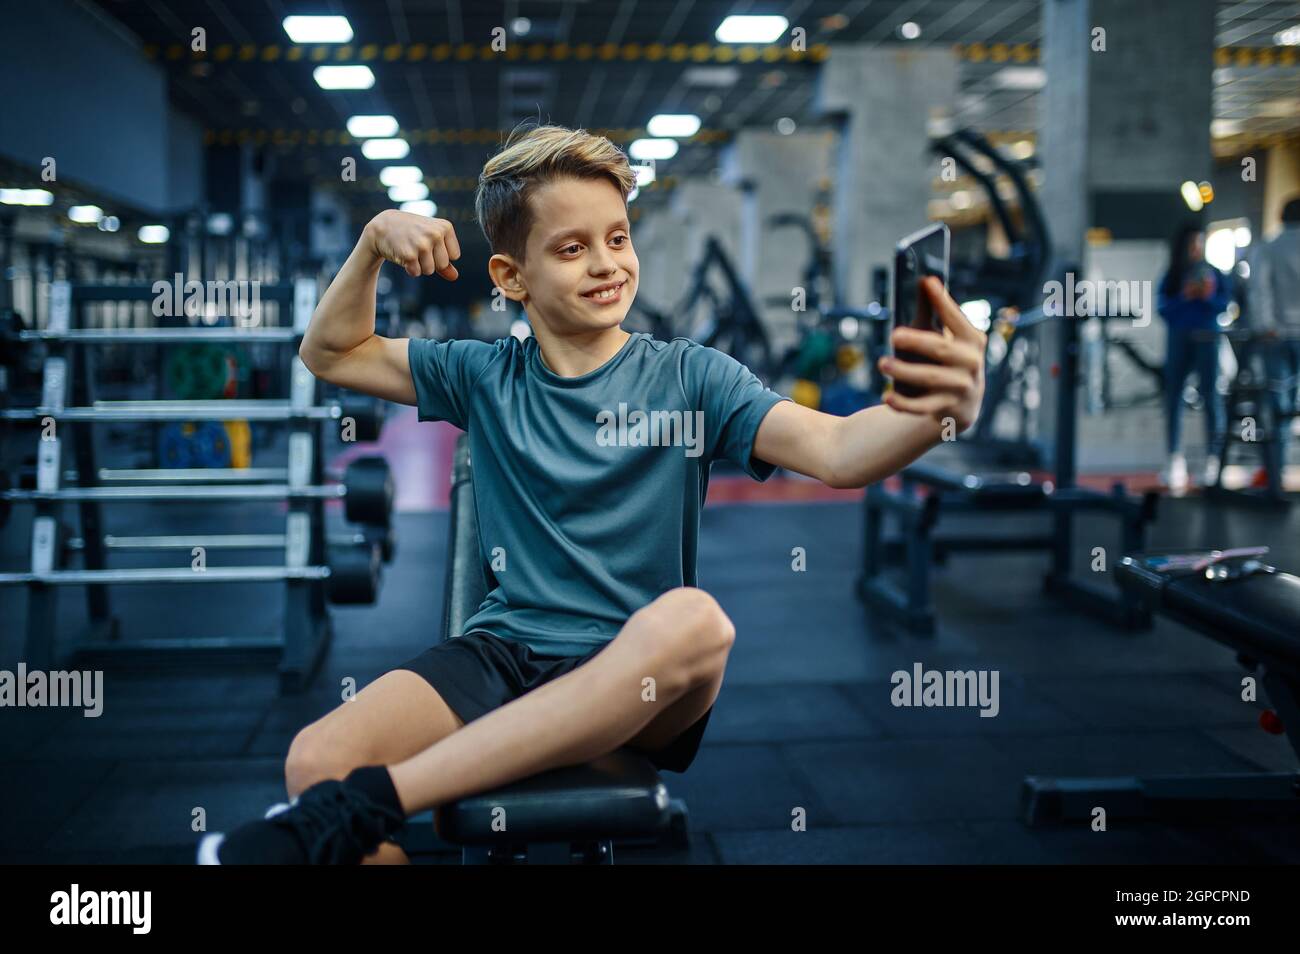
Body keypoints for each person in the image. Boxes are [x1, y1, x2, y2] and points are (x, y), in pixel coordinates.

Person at [198, 124, 987, 865]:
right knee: (314, 757)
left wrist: (937, 413)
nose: (607, 264)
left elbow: (840, 451)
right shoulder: (481, 376)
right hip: (506, 652)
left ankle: (374, 800)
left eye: (618, 239)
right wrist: (373, 241)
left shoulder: (691, 376)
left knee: (697, 621)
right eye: (572, 249)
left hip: (637, 674)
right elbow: (330, 351)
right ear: (511, 277)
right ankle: (355, 803)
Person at [1157, 224, 1230, 491]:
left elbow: (1224, 304)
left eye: (1200, 243)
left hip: (1207, 338)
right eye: (1192, 243)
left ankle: (1213, 460)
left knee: (1211, 396)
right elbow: (1162, 308)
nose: (1196, 248)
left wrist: (1207, 297)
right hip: (1179, 337)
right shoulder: (1174, 275)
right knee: (1173, 397)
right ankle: (1174, 458)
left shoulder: (1214, 274)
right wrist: (1185, 297)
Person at [1249, 196, 1300, 486]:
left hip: (1276, 336)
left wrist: (1265, 325)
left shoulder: (1268, 248)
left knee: (1277, 406)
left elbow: (1259, 290)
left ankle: (1275, 474)